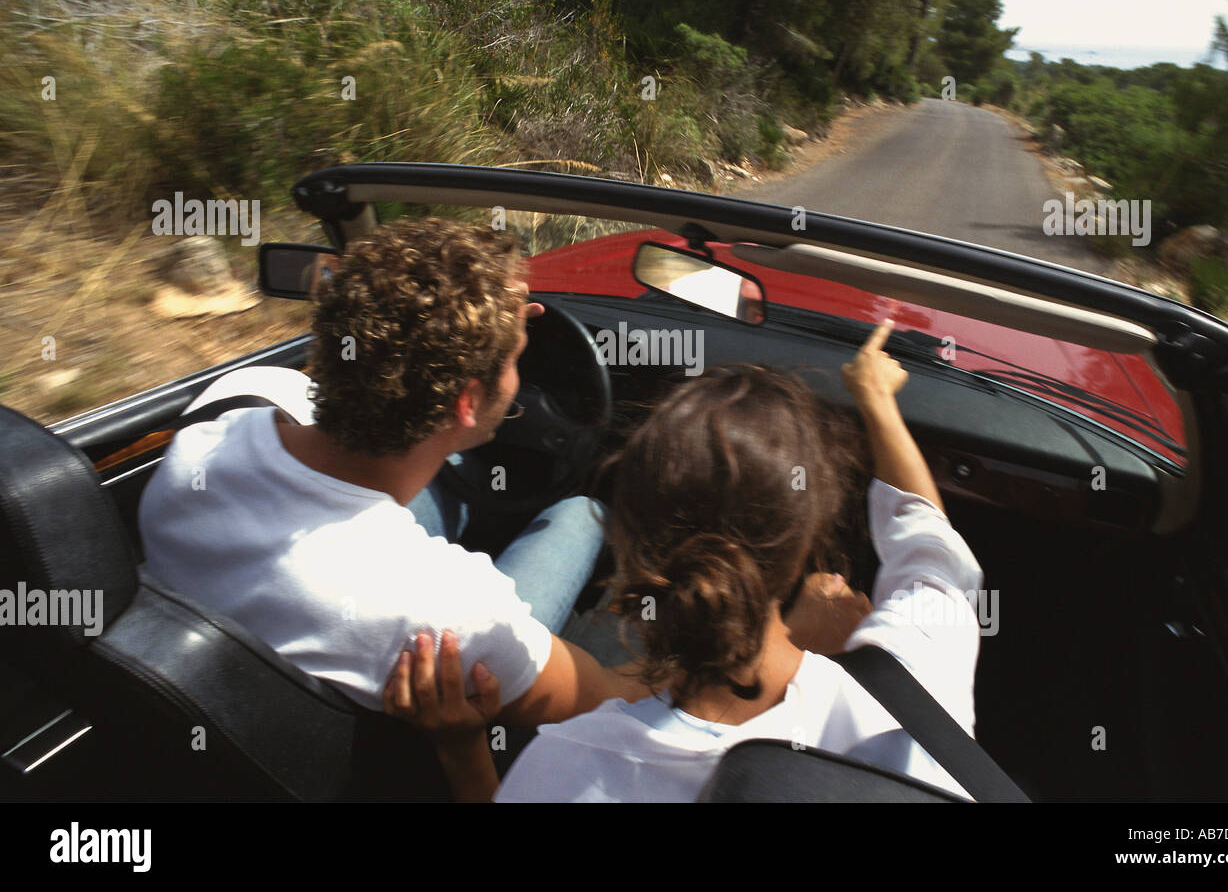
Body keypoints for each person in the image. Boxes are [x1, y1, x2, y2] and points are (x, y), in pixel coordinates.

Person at [386, 319, 985, 801]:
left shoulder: (572, 764)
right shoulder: (915, 676)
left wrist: (464, 750)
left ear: (633, 549)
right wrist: (875, 397)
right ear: (808, 544)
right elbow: (931, 547)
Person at [138, 218, 648, 724]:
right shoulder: (454, 616)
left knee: (451, 468)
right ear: (467, 400)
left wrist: (486, 323)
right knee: (581, 512)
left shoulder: (222, 416)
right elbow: (600, 692)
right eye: (519, 357)